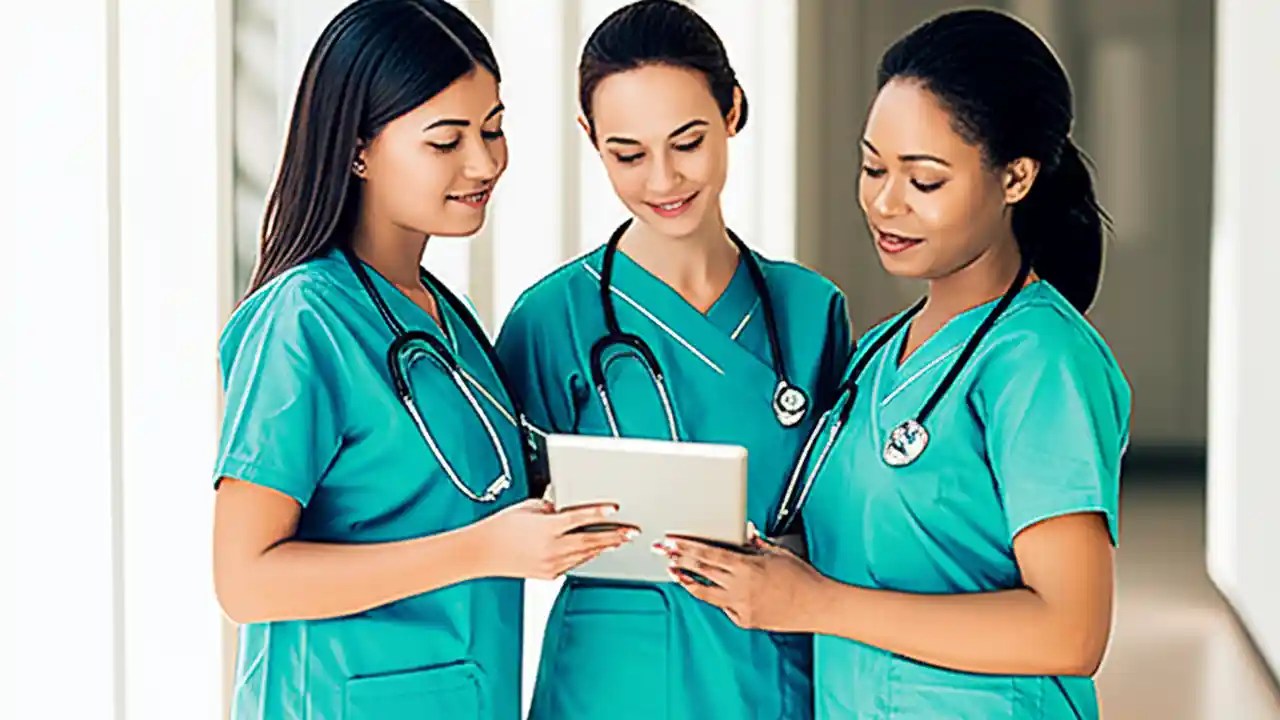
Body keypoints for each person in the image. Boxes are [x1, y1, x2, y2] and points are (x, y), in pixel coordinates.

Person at [660, 9, 1129, 719]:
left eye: (925, 180)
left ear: (1016, 178)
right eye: (873, 166)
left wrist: (817, 604)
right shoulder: (877, 352)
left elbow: (1071, 630)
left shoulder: (1040, 359)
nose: (885, 202)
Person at [211, 2, 633, 718]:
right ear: (357, 149)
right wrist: (482, 550)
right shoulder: (305, 318)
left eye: (493, 129)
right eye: (446, 141)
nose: (485, 162)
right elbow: (244, 579)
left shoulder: (446, 323)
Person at [495, 2, 852, 718]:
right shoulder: (552, 319)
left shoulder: (810, 311)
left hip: (768, 665)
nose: (662, 180)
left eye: (686, 141)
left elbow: (840, 519)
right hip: (611, 677)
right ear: (590, 139)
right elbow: (503, 523)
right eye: (628, 154)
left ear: (733, 110)